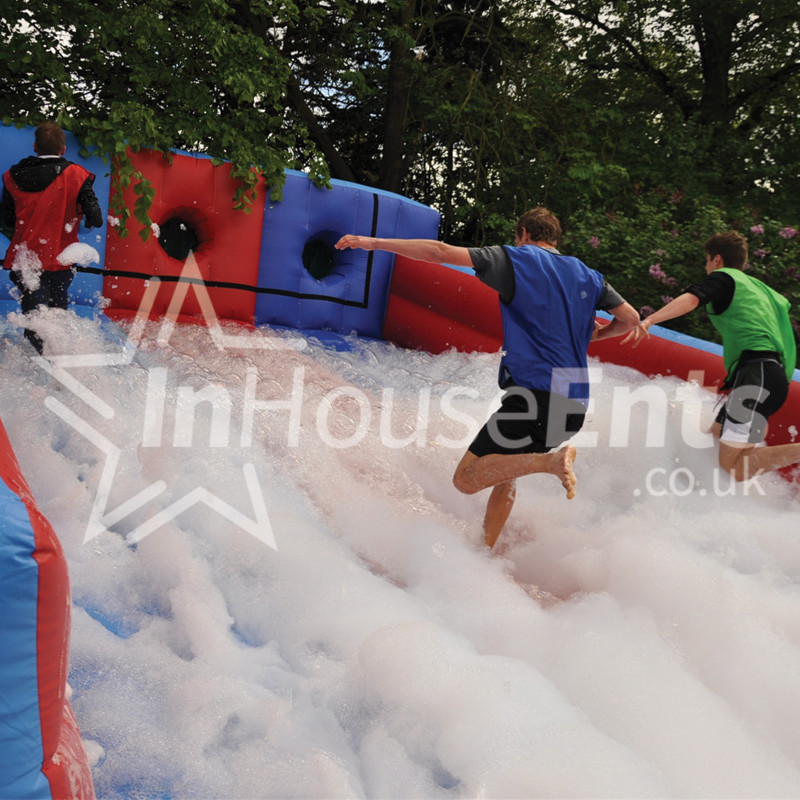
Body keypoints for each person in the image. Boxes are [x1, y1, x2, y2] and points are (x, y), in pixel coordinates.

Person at [336, 207, 640, 549]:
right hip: (573, 406)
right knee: (505, 471)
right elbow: (629, 319)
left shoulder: (518, 259)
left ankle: (551, 462)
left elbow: (438, 252)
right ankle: (485, 551)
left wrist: (374, 242)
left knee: (466, 479)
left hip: (533, 397)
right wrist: (591, 337)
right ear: (555, 238)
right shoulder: (588, 275)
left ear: (523, 233)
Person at [623, 231, 800, 482]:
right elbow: (790, 335)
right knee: (716, 432)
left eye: (707, 261)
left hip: (756, 377)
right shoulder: (764, 292)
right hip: (769, 377)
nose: (707, 268)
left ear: (717, 259)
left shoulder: (725, 278)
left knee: (736, 467)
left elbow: (692, 299)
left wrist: (650, 319)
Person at [0, 121, 103, 354]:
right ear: (63, 149)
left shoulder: (11, 177)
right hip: (60, 259)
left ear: (35, 146)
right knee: (57, 316)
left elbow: (6, 219)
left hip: (25, 259)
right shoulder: (78, 176)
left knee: (33, 319)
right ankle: (58, 369)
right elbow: (96, 219)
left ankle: (39, 368)